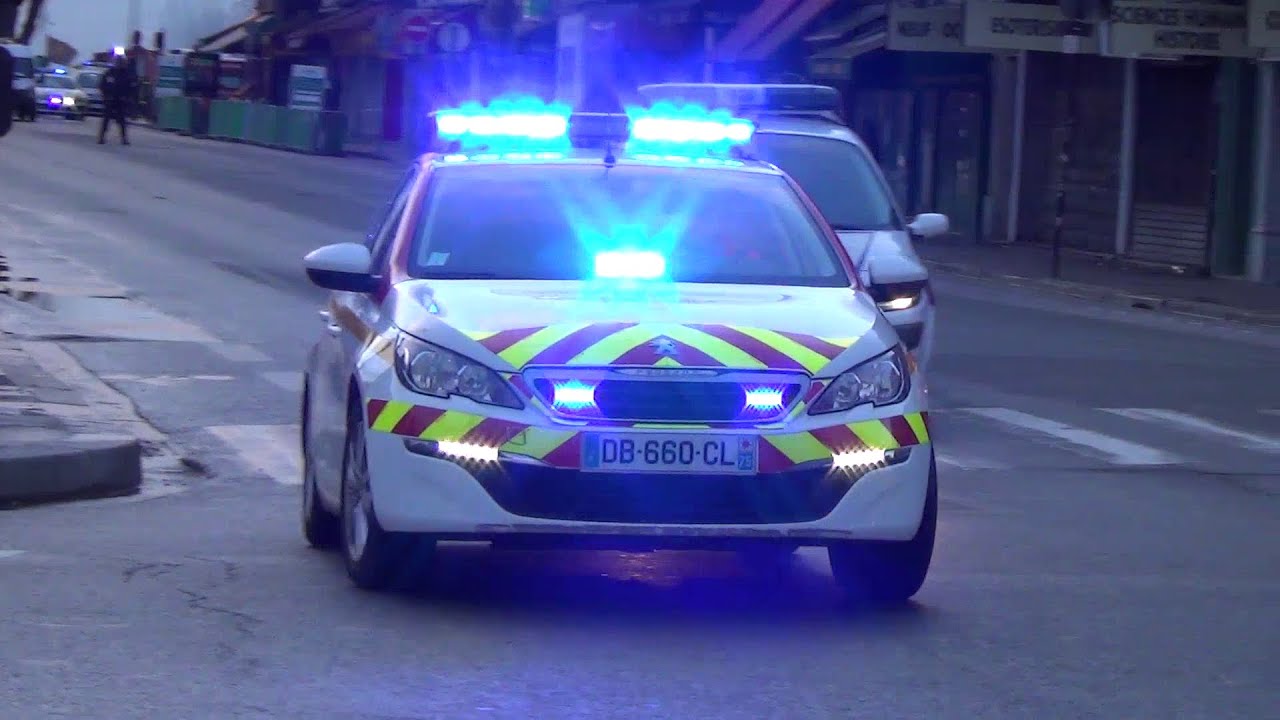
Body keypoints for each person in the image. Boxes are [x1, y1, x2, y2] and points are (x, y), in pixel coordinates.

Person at [98, 56, 134, 145]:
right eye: (119, 62)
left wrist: (127, 98)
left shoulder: (126, 74)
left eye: (122, 62)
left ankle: (124, 139)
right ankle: (101, 137)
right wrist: (106, 96)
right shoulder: (110, 73)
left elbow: (131, 88)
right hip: (110, 100)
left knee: (122, 121)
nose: (120, 64)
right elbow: (102, 85)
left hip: (121, 101)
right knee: (106, 120)